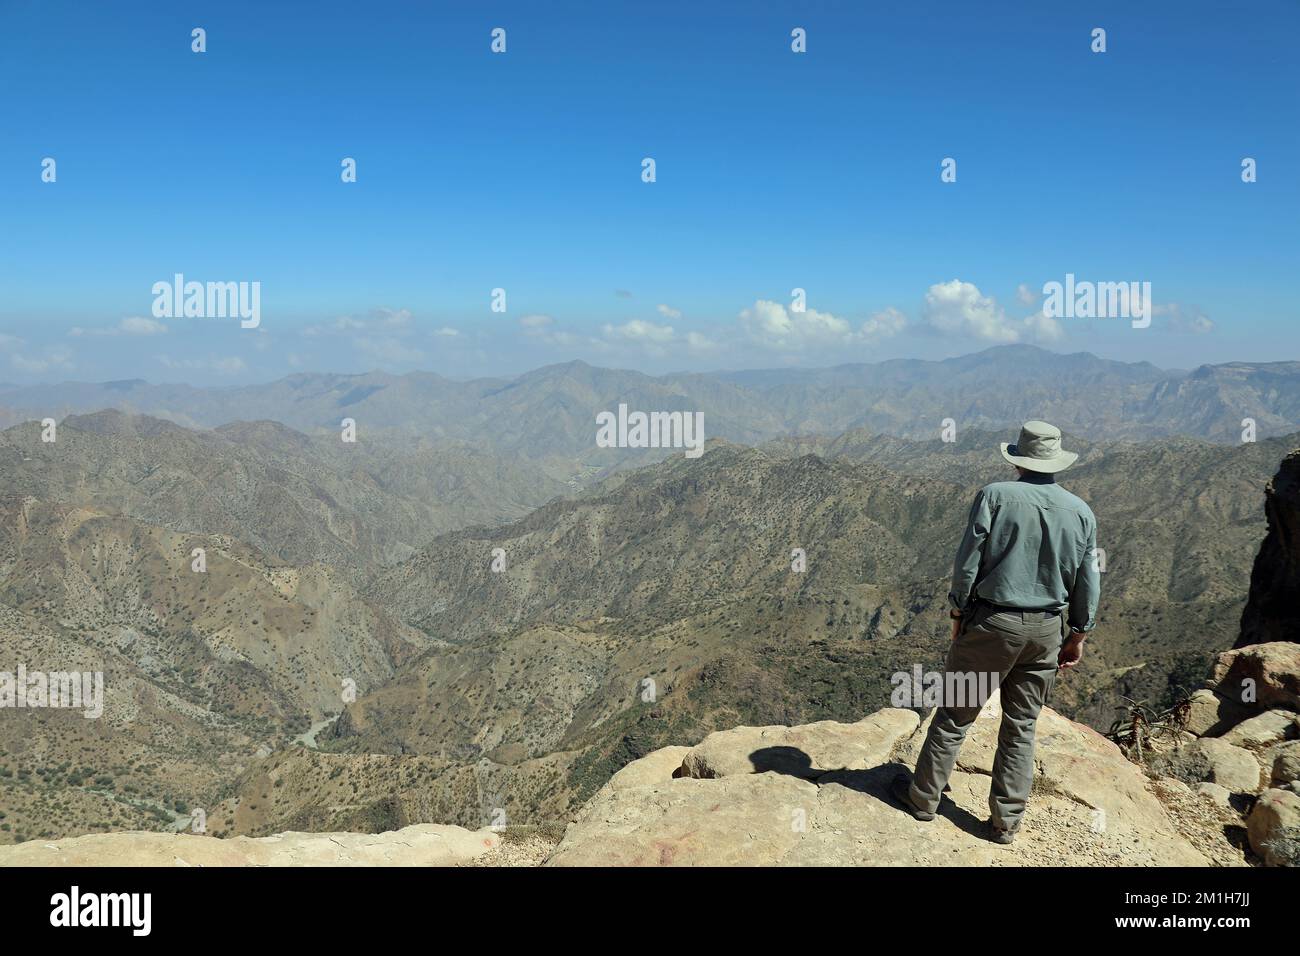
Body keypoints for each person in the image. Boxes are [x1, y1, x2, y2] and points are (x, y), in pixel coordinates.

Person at [890, 420, 1100, 844]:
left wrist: (958, 611)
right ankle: (1005, 822)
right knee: (1022, 724)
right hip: (1046, 631)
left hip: (992, 624)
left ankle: (924, 800)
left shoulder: (995, 496)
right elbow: (1088, 579)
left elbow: (968, 561)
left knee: (954, 716)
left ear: (1019, 458)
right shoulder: (1080, 512)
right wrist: (1078, 634)